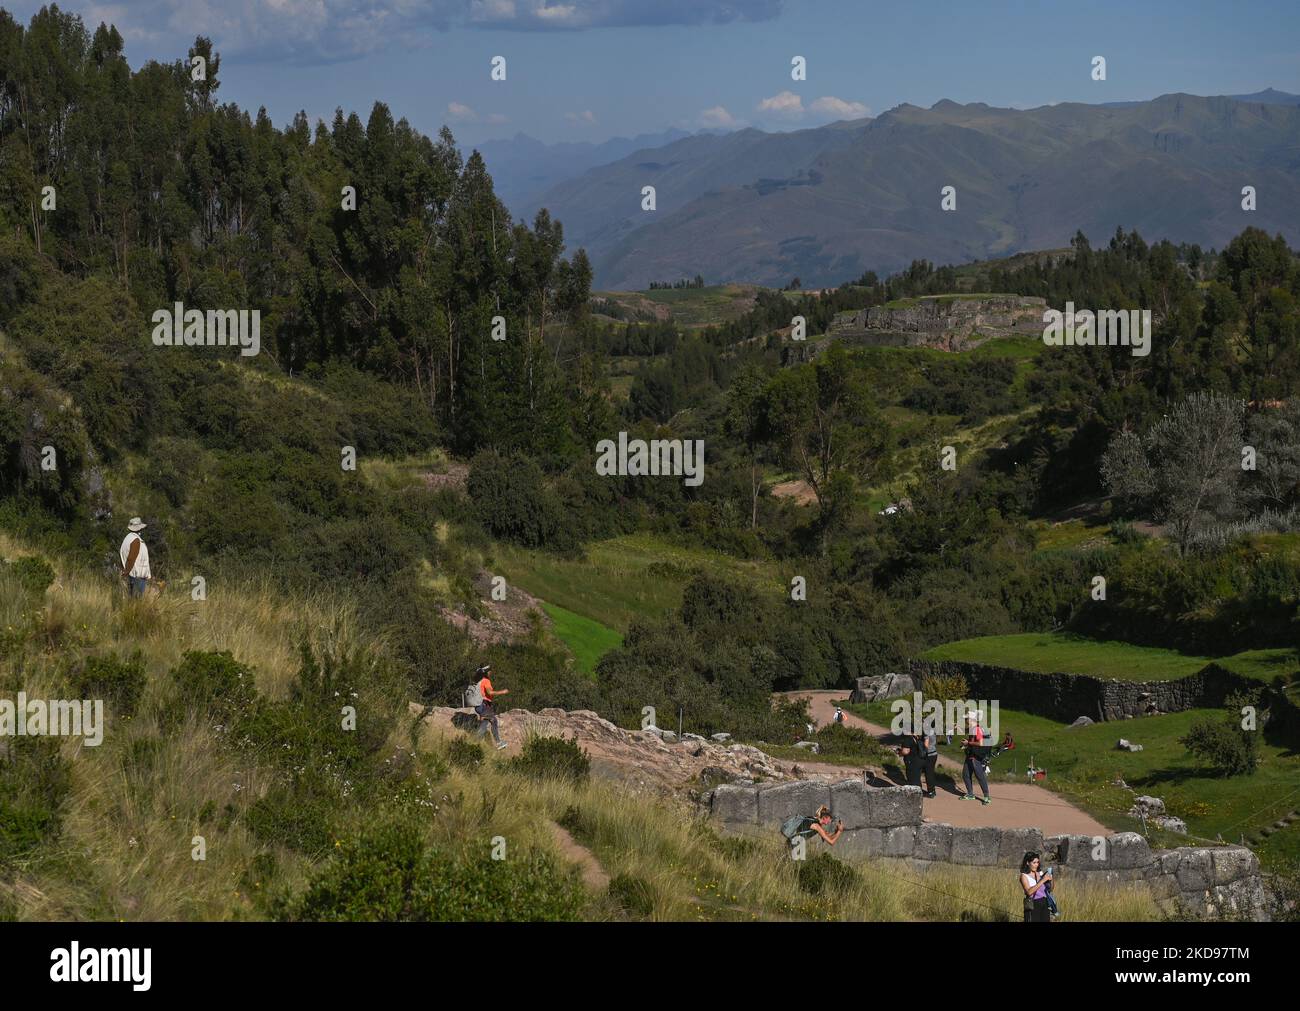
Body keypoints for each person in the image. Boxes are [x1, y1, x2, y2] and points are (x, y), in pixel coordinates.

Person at [473, 663, 509, 750]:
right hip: (484, 705)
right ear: (485, 672)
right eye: (489, 671)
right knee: (494, 721)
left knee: (485, 723)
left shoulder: (478, 680)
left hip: (478, 705)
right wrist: (502, 692)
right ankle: (498, 743)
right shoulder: (486, 681)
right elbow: (490, 692)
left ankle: (474, 745)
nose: (491, 672)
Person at [960, 712, 991, 805]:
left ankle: (987, 797)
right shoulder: (972, 729)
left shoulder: (977, 729)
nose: (965, 720)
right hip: (970, 755)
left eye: (966, 718)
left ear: (971, 719)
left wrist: (968, 743)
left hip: (975, 757)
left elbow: (981, 743)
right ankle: (970, 794)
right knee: (965, 774)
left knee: (980, 776)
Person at [119, 517, 151, 598]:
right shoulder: (136, 540)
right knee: (137, 603)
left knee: (130, 600)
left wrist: (125, 571)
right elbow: (131, 558)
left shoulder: (127, 538)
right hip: (137, 576)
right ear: (139, 529)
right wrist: (126, 572)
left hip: (131, 575)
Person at [1019, 852, 1052, 922]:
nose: (1036, 865)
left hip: (1044, 902)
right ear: (1028, 863)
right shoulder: (1024, 876)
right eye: (1034, 863)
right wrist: (1042, 880)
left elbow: (1050, 889)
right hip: (1033, 904)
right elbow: (1029, 892)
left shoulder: (1040, 873)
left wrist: (1051, 880)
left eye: (1037, 862)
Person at [917, 721, 939, 798]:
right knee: (930, 772)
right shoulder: (933, 729)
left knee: (928, 773)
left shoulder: (926, 731)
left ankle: (931, 791)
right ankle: (932, 790)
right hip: (934, 753)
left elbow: (926, 744)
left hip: (929, 754)